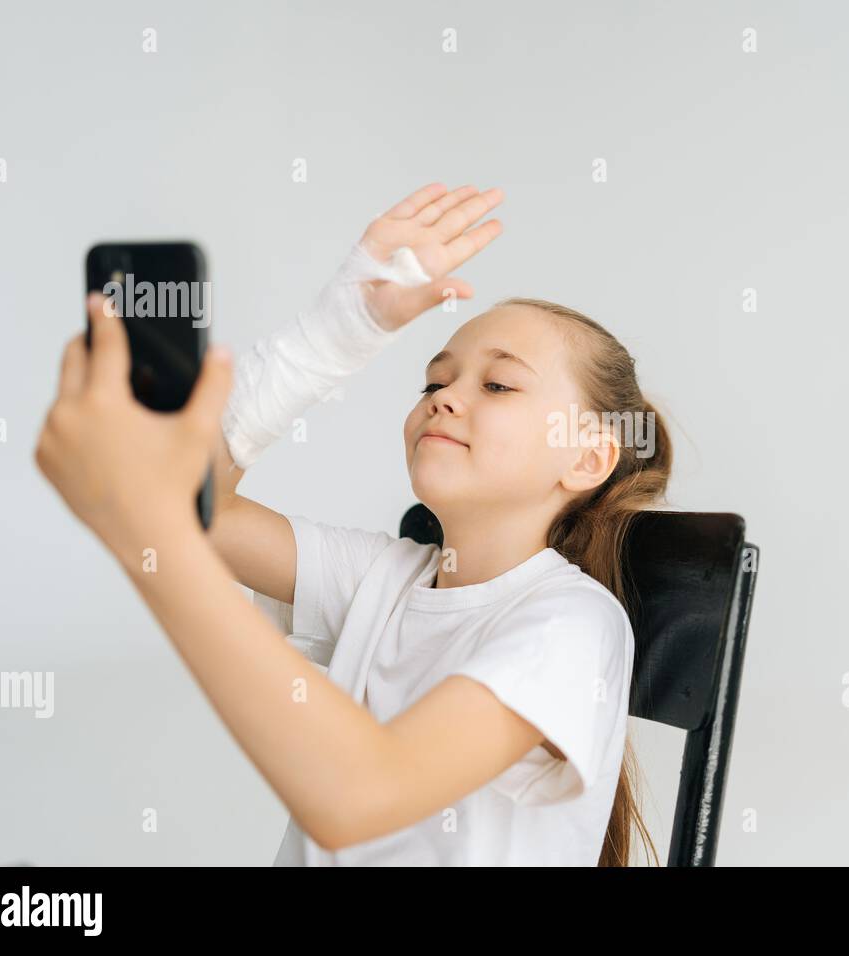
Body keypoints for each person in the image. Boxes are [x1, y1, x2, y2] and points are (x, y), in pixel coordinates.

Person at [34, 182, 671, 865]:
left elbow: (358, 798)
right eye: (434, 383)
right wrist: (337, 333)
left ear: (588, 456)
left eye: (498, 385)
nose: (446, 399)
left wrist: (148, 532)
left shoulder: (574, 625)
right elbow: (198, 509)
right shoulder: (383, 579)